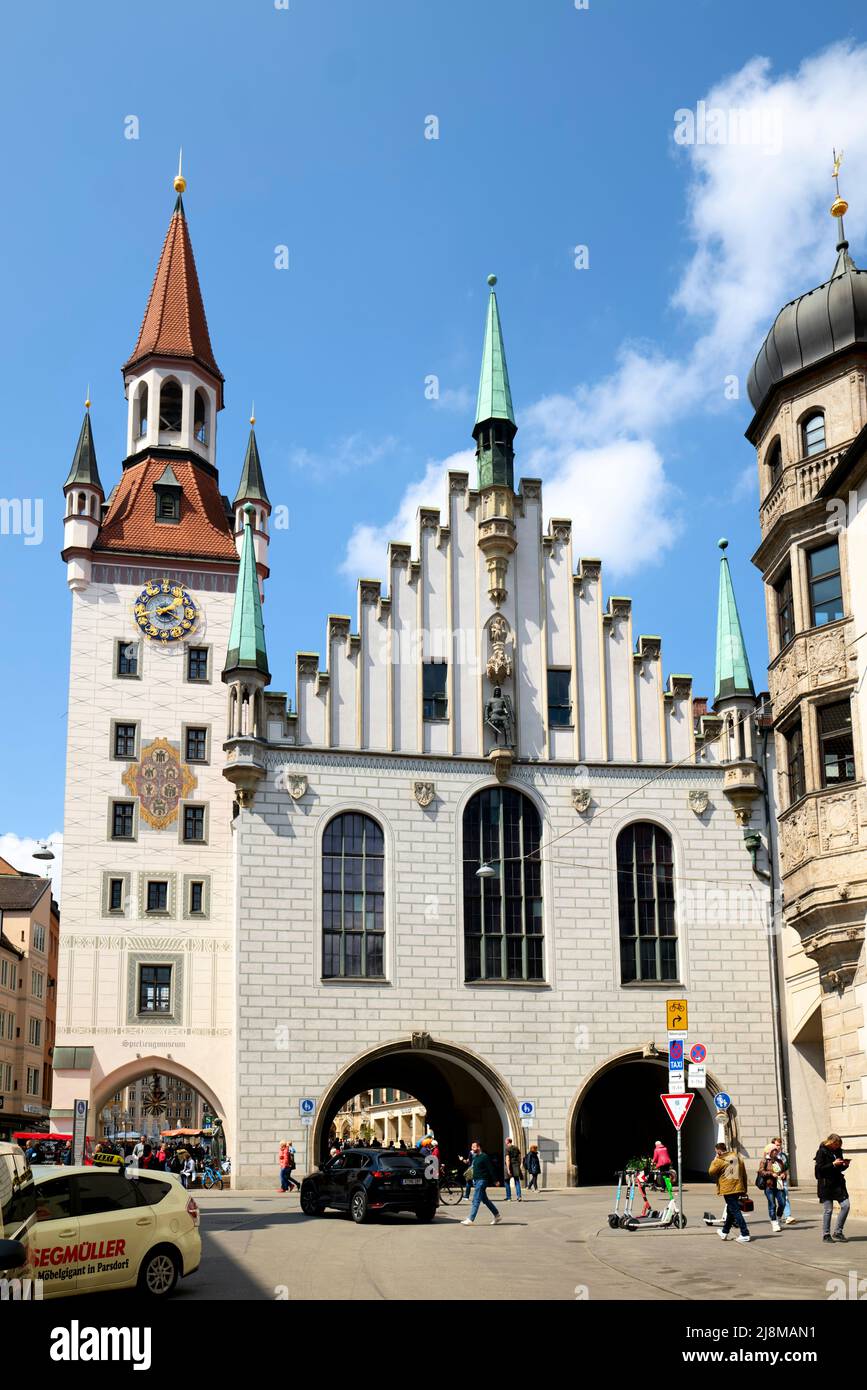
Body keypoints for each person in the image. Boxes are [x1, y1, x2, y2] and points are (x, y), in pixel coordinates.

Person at [708, 1142, 751, 1243]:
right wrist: (744, 1189)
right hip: (738, 1187)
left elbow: (711, 1171)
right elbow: (744, 1174)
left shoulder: (720, 1160)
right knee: (730, 1211)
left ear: (718, 1150)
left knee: (735, 1210)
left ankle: (745, 1233)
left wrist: (715, 1159)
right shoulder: (738, 1157)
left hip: (728, 1189)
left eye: (716, 1151)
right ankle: (724, 1231)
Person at [815, 1134, 850, 1242]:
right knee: (828, 1210)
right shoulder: (822, 1151)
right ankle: (826, 1235)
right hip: (826, 1185)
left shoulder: (838, 1151)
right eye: (836, 1144)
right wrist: (833, 1164)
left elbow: (839, 1168)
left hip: (838, 1184)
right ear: (830, 1142)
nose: (837, 1147)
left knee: (846, 1205)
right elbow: (820, 1169)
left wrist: (845, 1164)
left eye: (838, 1145)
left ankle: (838, 1232)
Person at [461, 1141, 502, 1226]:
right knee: (485, 1200)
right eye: (472, 1147)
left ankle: (470, 1219)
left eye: (474, 1147)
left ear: (479, 1147)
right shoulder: (475, 1157)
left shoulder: (484, 1157)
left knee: (476, 1199)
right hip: (476, 1181)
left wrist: (495, 1180)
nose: (472, 1148)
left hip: (482, 1180)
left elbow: (491, 1169)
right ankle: (497, 1216)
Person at [759, 1142, 786, 1232]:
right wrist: (771, 1174)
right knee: (772, 1204)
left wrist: (783, 1174)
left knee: (782, 1203)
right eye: (774, 1150)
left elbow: (784, 1171)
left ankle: (778, 1217)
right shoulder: (765, 1161)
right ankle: (774, 1222)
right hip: (769, 1185)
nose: (776, 1152)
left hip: (779, 1185)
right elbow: (761, 1172)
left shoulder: (779, 1160)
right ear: (769, 1152)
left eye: (776, 1150)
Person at [772, 1137, 794, 1224]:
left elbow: (786, 1167)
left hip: (782, 1181)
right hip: (772, 1181)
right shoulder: (769, 1156)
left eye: (779, 1145)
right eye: (777, 1145)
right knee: (773, 1202)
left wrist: (784, 1173)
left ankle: (787, 1216)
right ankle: (775, 1218)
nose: (778, 1147)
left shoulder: (783, 1156)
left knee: (785, 1198)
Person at [504, 1137, 523, 1201]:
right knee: (517, 1181)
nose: (505, 1142)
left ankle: (509, 1197)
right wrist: (519, 1165)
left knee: (506, 1181)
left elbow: (507, 1159)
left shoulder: (507, 1149)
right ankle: (519, 1196)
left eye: (505, 1141)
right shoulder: (516, 1148)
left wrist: (508, 1169)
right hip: (516, 1166)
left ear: (508, 1141)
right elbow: (520, 1158)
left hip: (510, 1166)